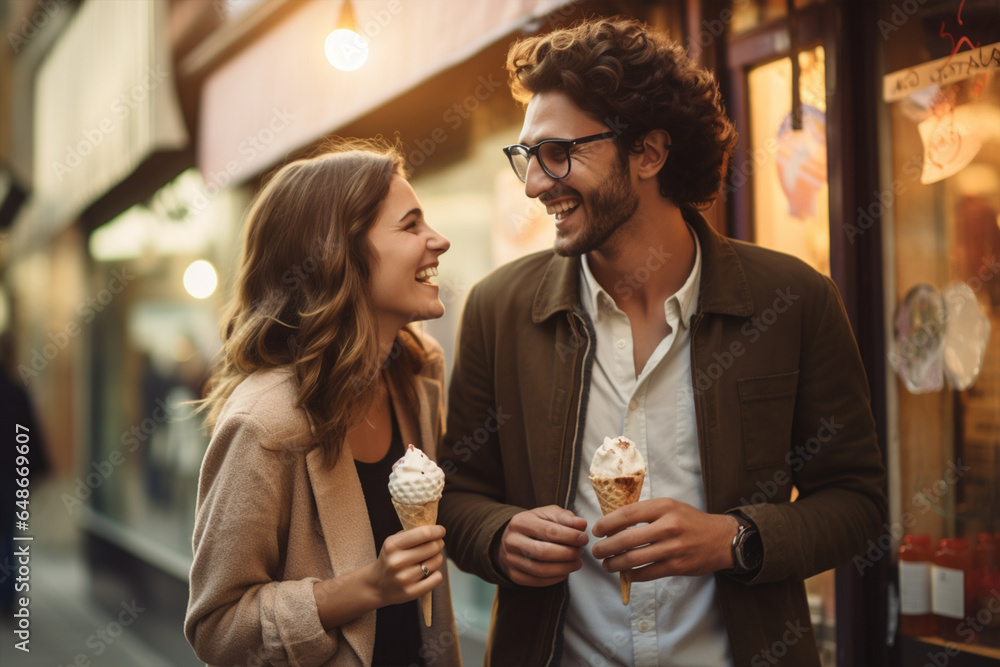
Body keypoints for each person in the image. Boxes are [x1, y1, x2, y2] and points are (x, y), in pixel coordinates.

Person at [438, 17, 886, 666]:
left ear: (648, 153)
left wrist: (734, 538)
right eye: (526, 156)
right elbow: (456, 496)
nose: (534, 184)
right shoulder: (497, 308)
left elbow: (858, 502)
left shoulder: (794, 299)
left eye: (557, 152)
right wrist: (498, 535)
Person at [184, 142, 461, 667]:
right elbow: (216, 628)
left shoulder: (419, 373)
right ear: (339, 255)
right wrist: (365, 588)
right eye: (411, 226)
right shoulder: (264, 423)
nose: (439, 240)